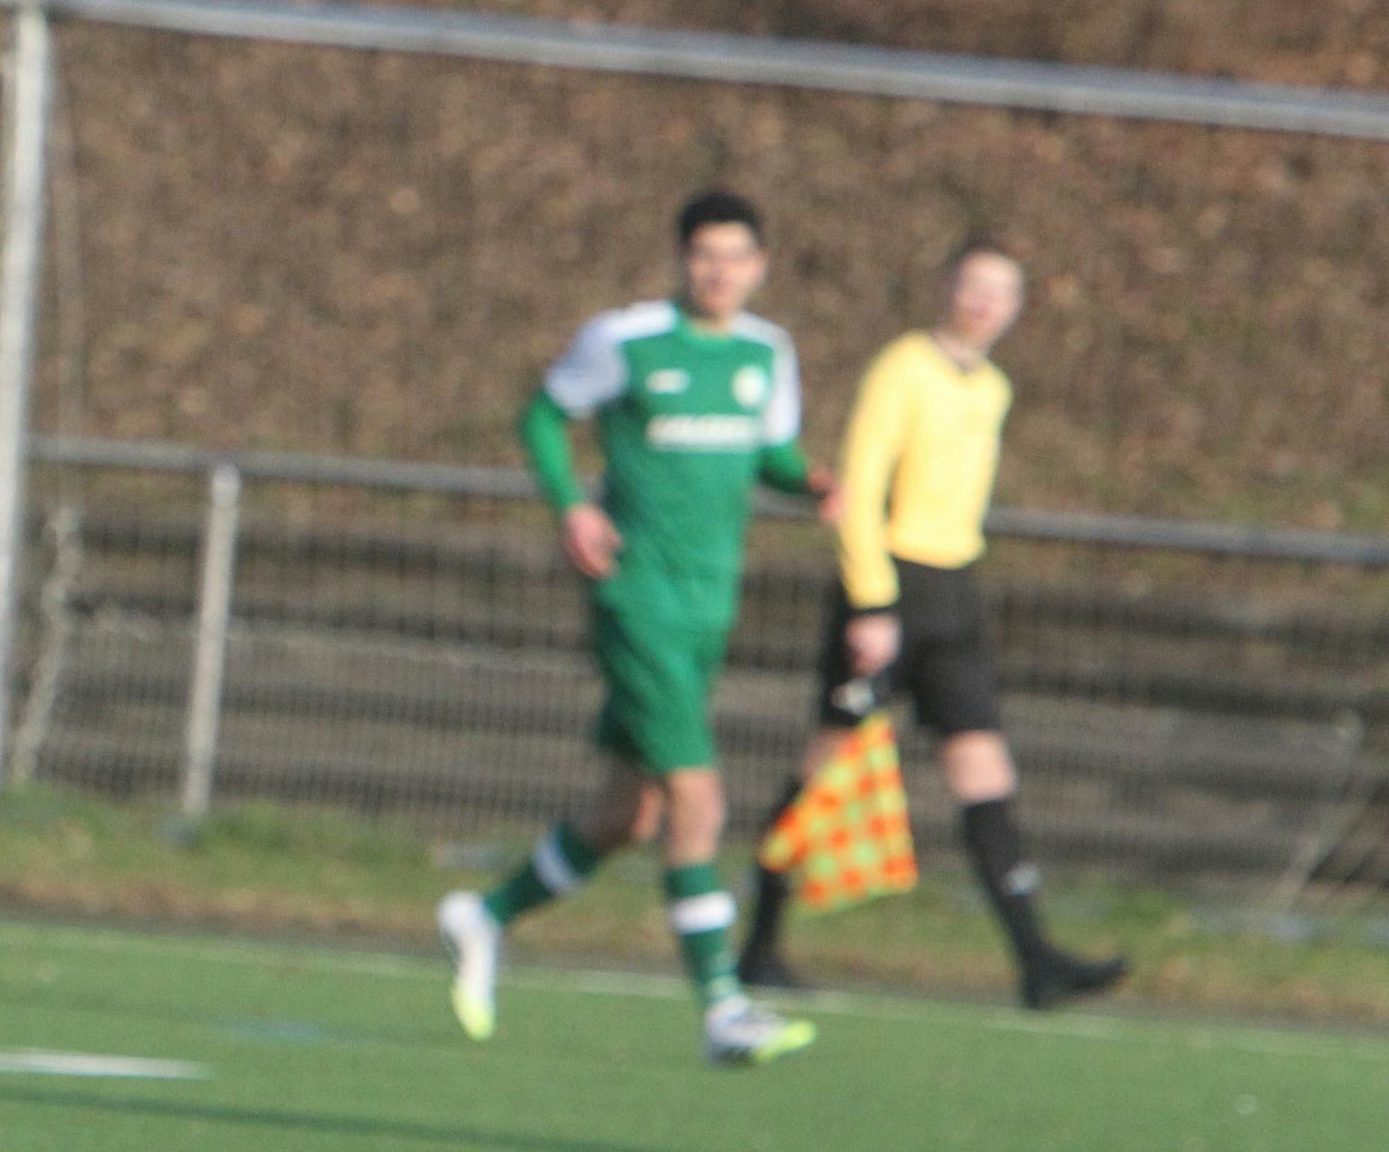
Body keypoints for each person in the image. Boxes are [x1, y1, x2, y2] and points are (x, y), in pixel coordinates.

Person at [439, 190, 823, 1068]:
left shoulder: (768, 354)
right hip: (636, 595)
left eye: (736, 256)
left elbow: (771, 455)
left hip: (709, 604)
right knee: (697, 797)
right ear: (681, 260)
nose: (719, 271)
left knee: (625, 811)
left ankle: (484, 915)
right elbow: (541, 414)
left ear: (760, 266)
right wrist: (572, 506)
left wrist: (814, 485)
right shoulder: (627, 340)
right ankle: (722, 1007)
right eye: (704, 255)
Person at [740, 241, 1126, 1009]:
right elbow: (860, 488)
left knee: (984, 772)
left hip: (953, 595)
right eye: (974, 285)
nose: (985, 302)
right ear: (948, 286)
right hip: (888, 587)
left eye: (1002, 292)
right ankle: (757, 946)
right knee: (824, 769)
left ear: (1016, 308)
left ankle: (1036, 960)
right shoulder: (901, 368)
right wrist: (872, 601)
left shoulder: (993, 387)